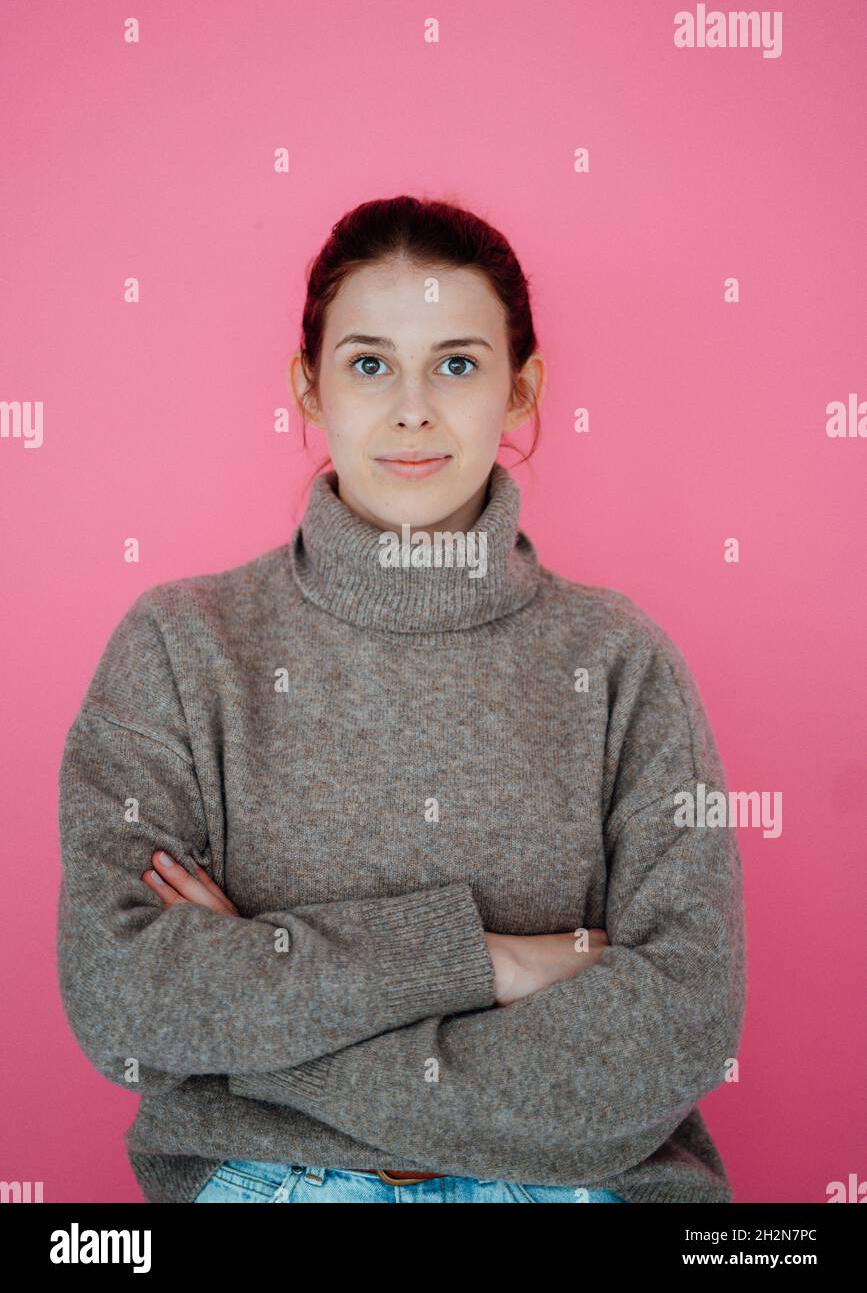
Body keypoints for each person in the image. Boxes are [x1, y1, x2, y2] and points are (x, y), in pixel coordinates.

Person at [56, 195, 746, 1204]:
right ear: (308, 385)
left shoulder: (621, 660)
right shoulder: (180, 646)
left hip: (570, 1188)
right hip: (267, 1181)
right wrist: (484, 960)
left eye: (458, 364)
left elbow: (681, 1019)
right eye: (370, 362)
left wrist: (256, 1030)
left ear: (521, 391)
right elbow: (124, 1001)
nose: (413, 408)